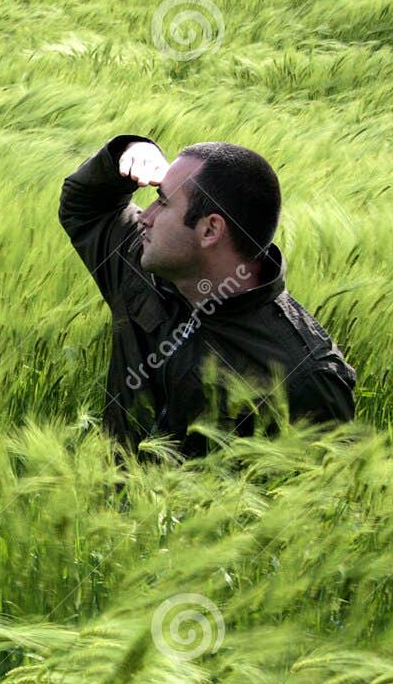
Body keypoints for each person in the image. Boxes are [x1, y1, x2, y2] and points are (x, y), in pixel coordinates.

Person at [58, 134, 356, 459]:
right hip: (106, 509)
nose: (146, 216)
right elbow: (85, 206)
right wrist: (128, 152)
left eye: (163, 202)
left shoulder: (303, 378)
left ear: (211, 230)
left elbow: (310, 496)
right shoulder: (144, 267)